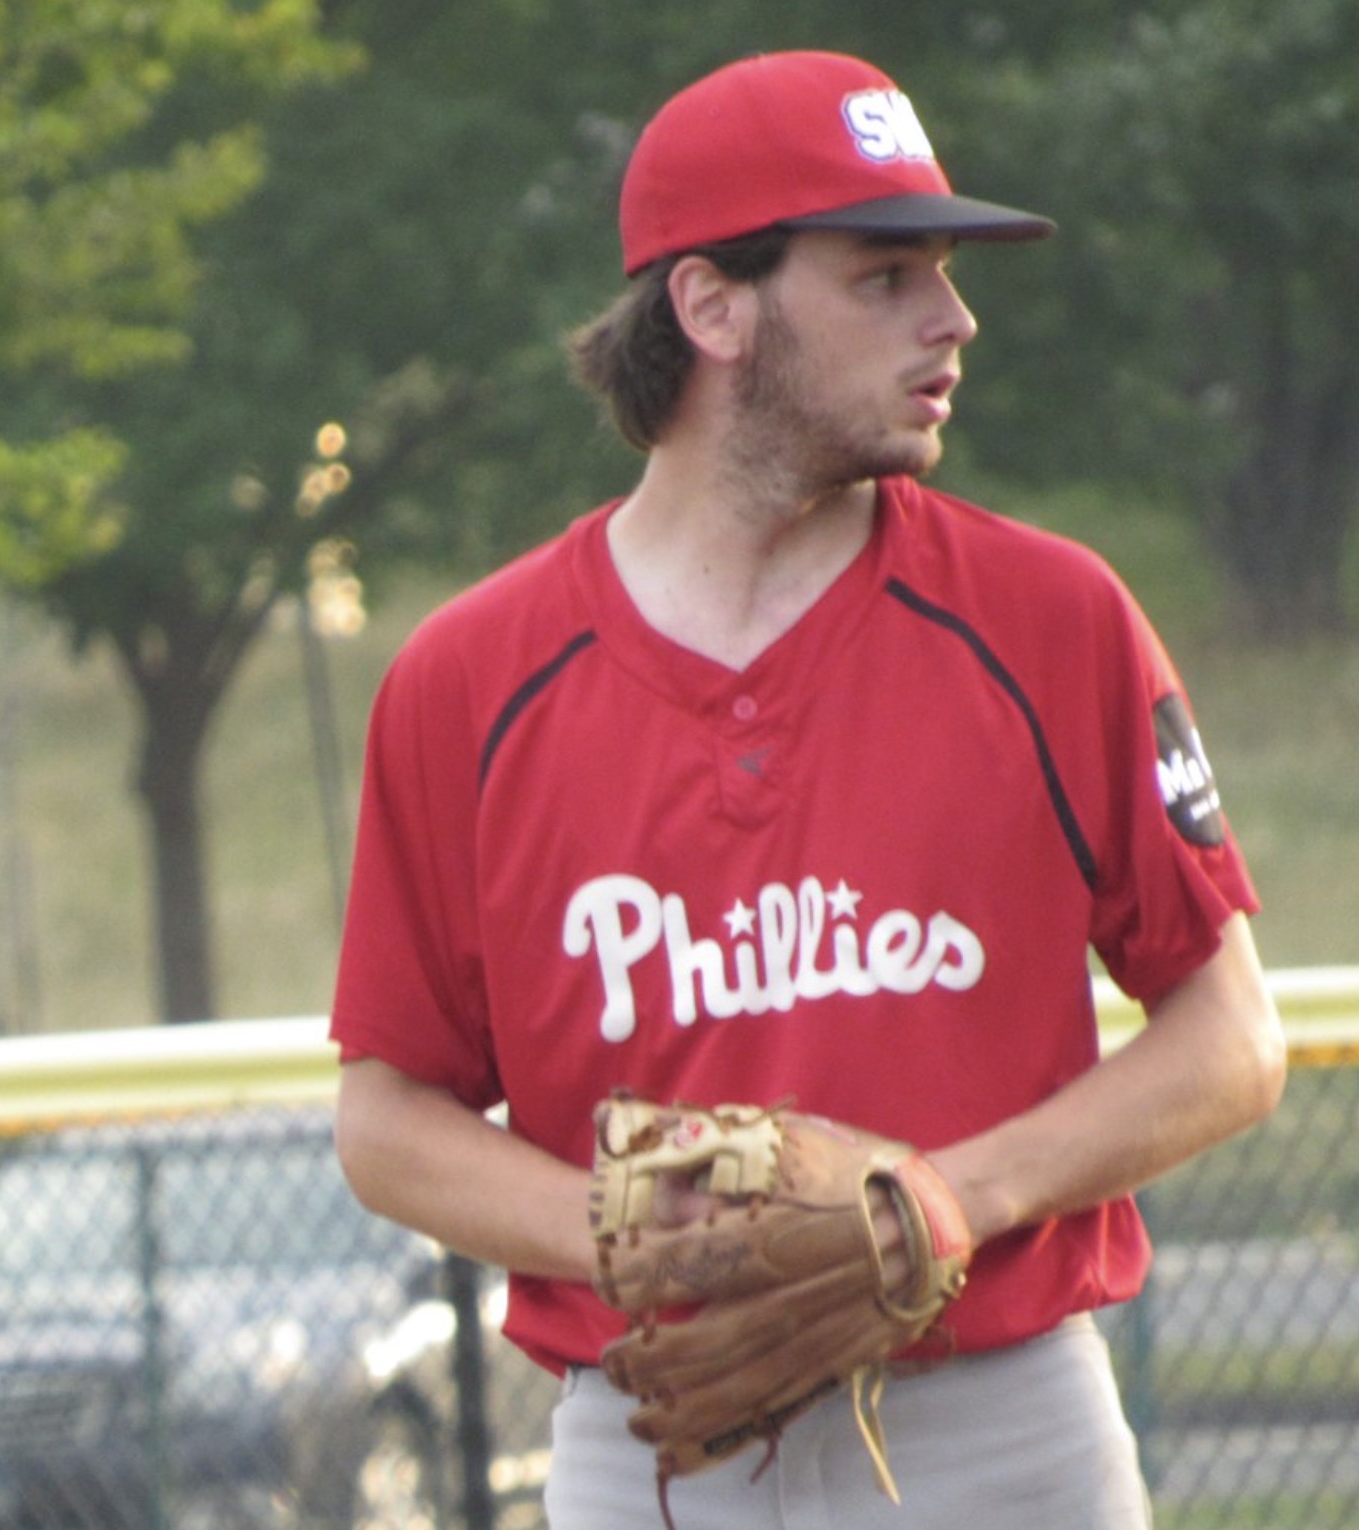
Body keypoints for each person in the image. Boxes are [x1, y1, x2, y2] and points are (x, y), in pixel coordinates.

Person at [331, 48, 1287, 1530]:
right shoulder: (470, 682)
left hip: (1004, 1419)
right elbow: (387, 1116)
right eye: (885, 275)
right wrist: (633, 1239)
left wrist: (944, 1200)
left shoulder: (1049, 618)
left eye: (944, 273)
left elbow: (1230, 1038)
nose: (951, 319)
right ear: (712, 305)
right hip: (658, 1430)